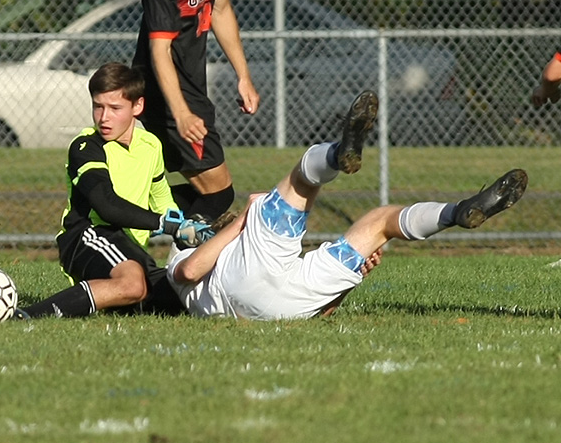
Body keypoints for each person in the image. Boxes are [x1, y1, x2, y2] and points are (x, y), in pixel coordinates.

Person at [166, 90, 529, 320]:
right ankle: (339, 154)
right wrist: (243, 220)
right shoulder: (182, 252)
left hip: (285, 308)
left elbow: (323, 312)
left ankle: (458, 212)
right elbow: (190, 270)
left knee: (381, 222)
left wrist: (349, 280)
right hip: (247, 277)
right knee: (302, 179)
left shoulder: (215, 260)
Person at [16, 63, 209, 319]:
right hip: (88, 235)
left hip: (130, 250)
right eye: (98, 106)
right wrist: (167, 225)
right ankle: (26, 315)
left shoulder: (150, 145)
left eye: (115, 108)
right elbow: (107, 205)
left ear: (137, 107)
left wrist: (188, 230)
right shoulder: (86, 147)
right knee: (133, 284)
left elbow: (162, 200)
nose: (104, 117)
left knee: (185, 293)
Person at [132, 0, 260, 223]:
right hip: (166, 89)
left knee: (216, 194)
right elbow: (159, 50)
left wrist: (243, 75)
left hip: (191, 83)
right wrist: (181, 113)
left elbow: (220, 7)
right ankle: (123, 216)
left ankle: (127, 210)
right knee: (218, 194)